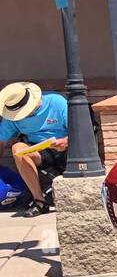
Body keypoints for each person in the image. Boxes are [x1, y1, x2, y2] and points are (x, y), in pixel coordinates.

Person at [0, 82, 69, 216]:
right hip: (38, 151)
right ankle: (40, 200)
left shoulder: (57, 102)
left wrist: (66, 141)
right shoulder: (12, 116)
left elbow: (79, 130)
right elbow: (1, 141)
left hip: (67, 148)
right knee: (17, 148)